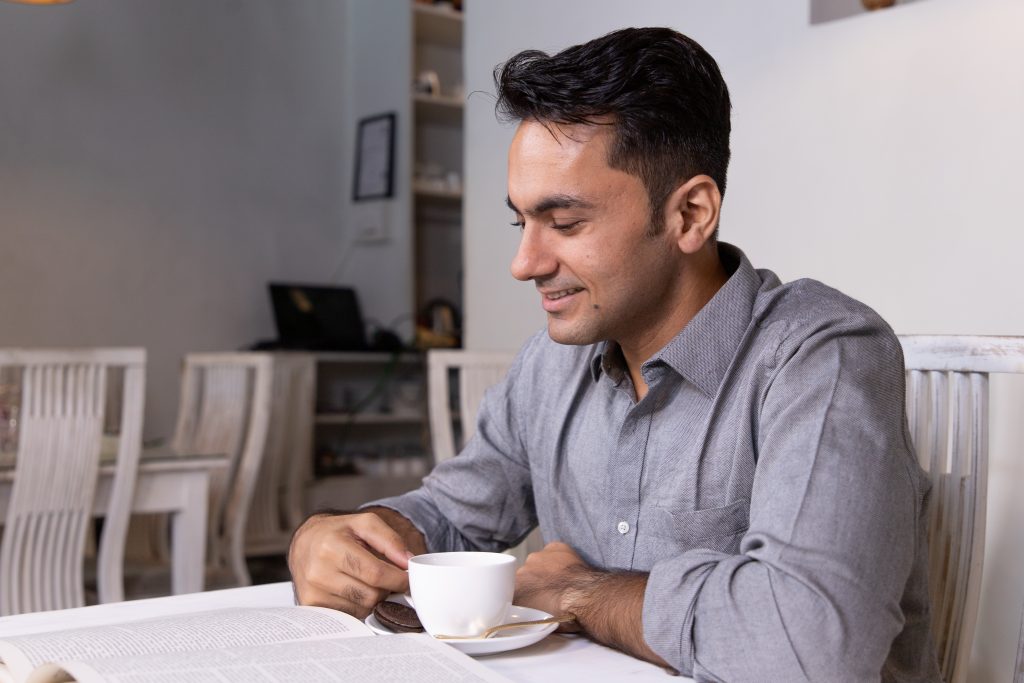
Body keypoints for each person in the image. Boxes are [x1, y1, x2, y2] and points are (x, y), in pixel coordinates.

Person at [289, 27, 940, 681]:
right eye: (522, 221)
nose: (524, 263)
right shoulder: (552, 364)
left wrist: (579, 592)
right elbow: (453, 514)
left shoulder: (821, 356)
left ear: (690, 213)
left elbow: (808, 646)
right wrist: (351, 536)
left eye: (565, 223)